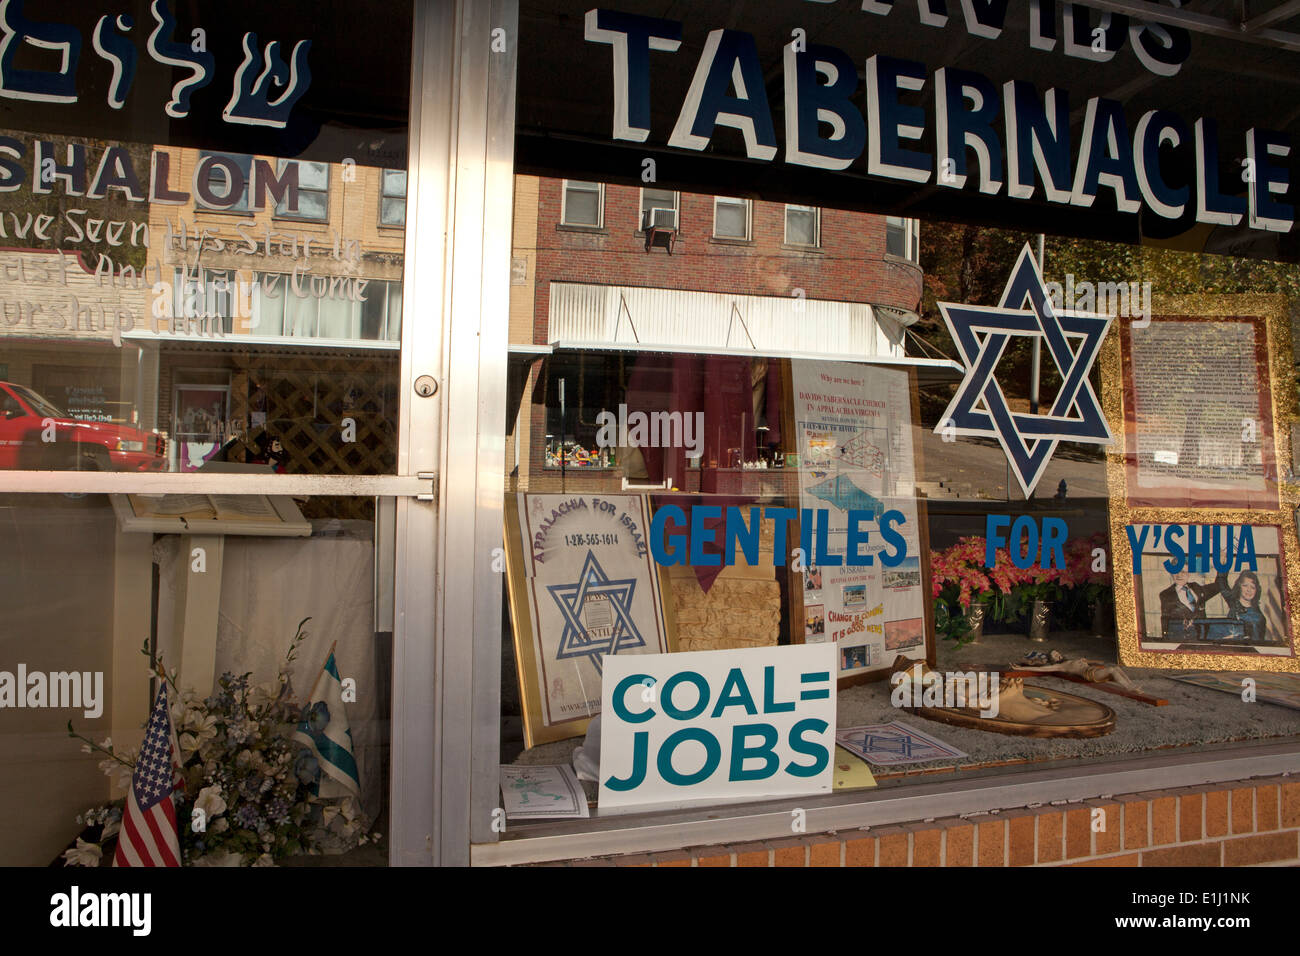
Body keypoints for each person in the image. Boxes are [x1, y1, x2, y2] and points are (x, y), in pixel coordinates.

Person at [1158, 569, 1219, 641]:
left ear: (1189, 573)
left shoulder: (1196, 587)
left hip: (1203, 639)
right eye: (1175, 571)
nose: (1179, 575)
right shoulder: (1166, 595)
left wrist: (1222, 566)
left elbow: (1218, 585)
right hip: (1183, 641)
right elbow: (1165, 621)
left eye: (1183, 572)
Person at [1218, 570, 1268, 643]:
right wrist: (1223, 567)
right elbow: (1221, 584)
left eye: (1253, 587)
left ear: (1257, 590)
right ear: (1239, 586)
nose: (1249, 590)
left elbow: (1256, 644)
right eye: (1245, 586)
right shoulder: (1234, 602)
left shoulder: (1258, 618)